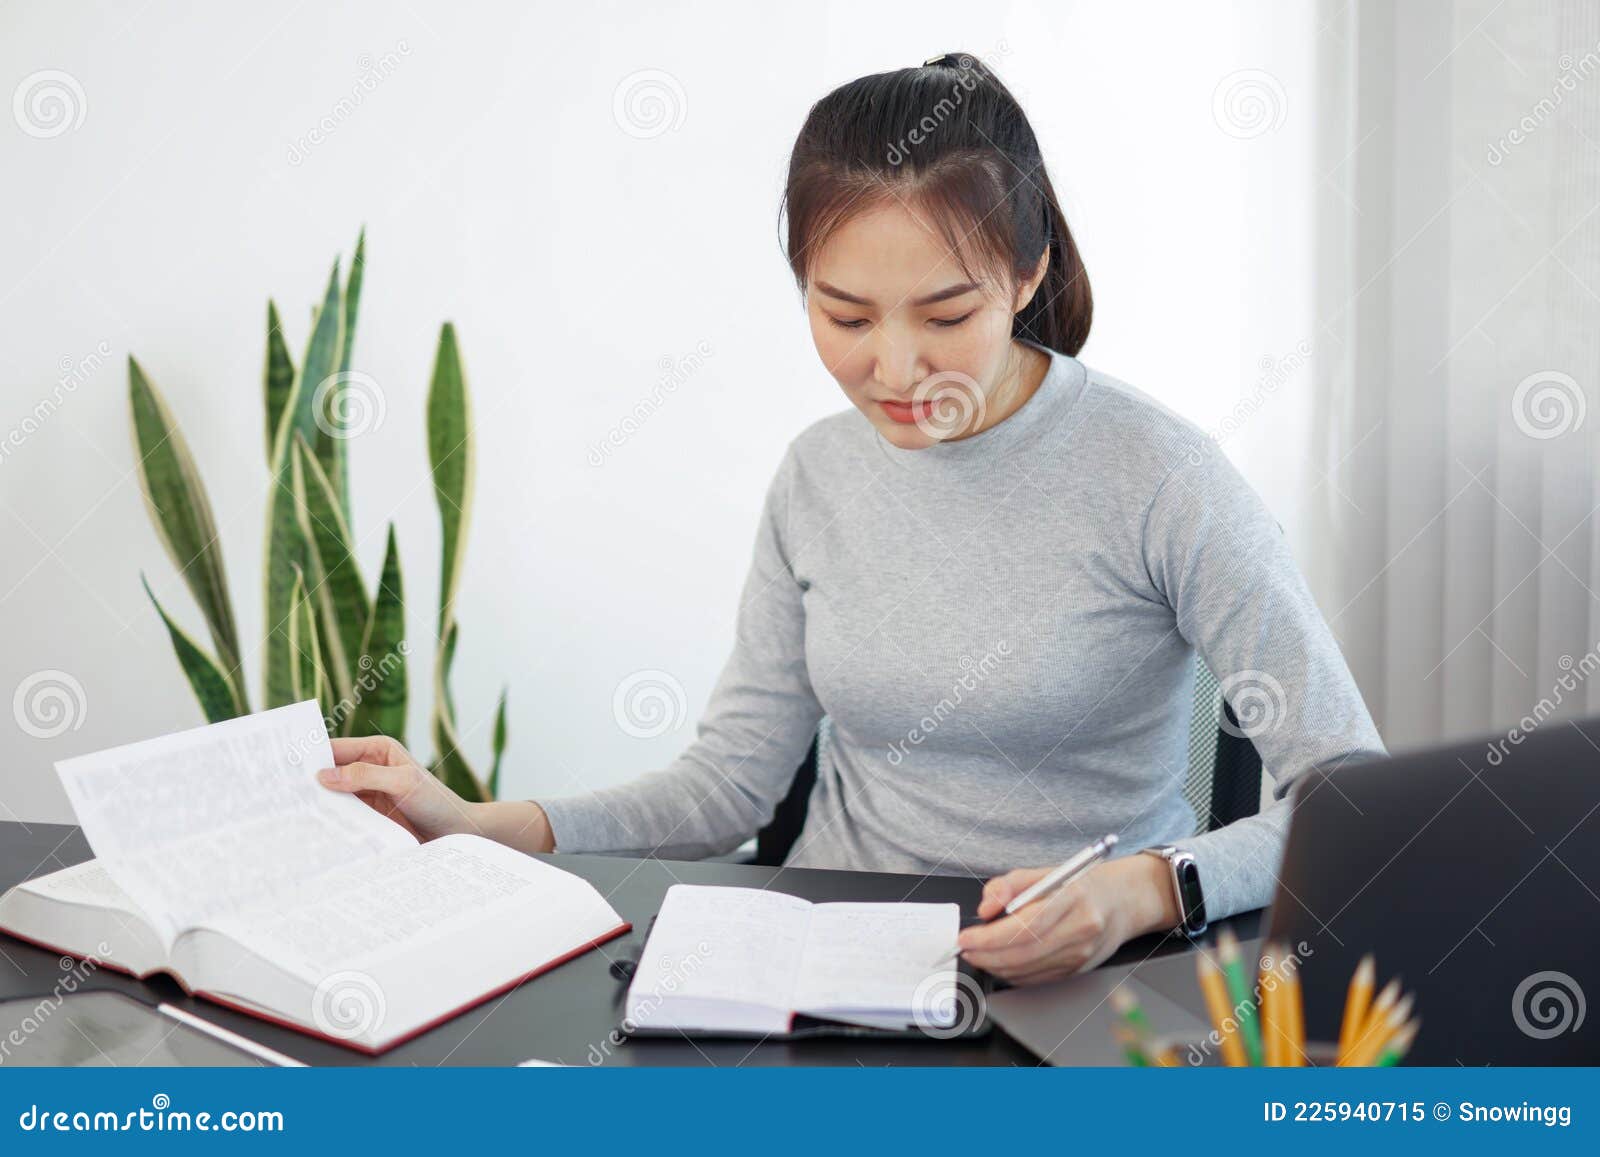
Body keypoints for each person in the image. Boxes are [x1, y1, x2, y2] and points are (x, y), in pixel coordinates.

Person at [317, 53, 1383, 985]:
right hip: (818, 956)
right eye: (844, 315)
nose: (895, 367)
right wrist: (477, 822)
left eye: (947, 313)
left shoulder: (1162, 476)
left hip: (1085, 971)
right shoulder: (815, 475)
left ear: (1028, 271)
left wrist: (1146, 889)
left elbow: (1353, 799)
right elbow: (729, 780)